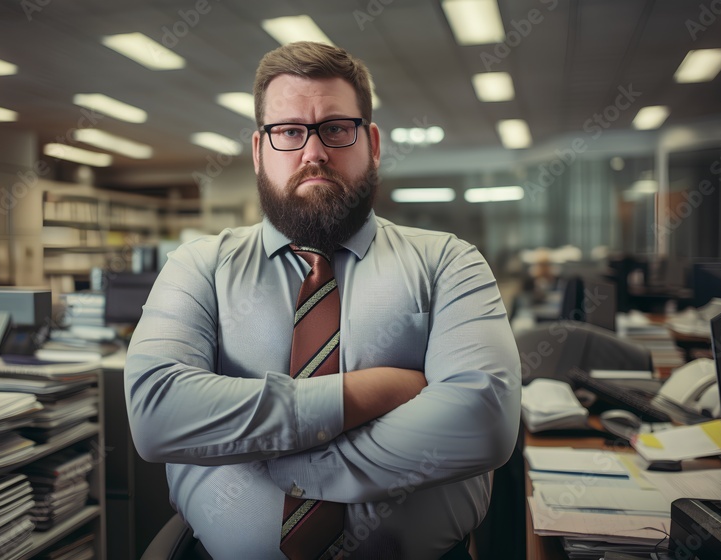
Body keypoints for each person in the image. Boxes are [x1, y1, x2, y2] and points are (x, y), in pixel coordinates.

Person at [125, 41, 521, 559]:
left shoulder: (448, 262)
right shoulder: (199, 266)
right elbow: (157, 413)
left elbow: (483, 419)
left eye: (336, 128)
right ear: (258, 150)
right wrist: (364, 394)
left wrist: (289, 463)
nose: (313, 152)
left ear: (372, 143)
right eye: (289, 131)